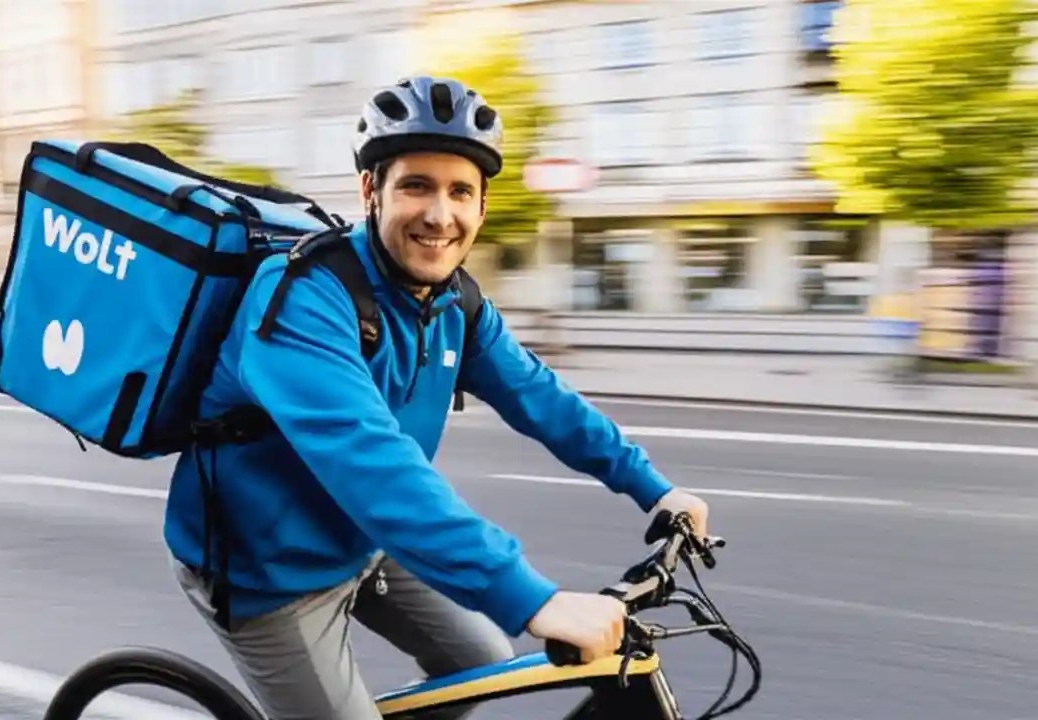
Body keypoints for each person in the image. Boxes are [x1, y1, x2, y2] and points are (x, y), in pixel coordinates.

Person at [162, 75, 711, 720]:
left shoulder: (455, 303)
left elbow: (542, 398)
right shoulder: (302, 298)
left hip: (365, 542)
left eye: (460, 192)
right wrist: (531, 598)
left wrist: (653, 487)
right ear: (372, 190)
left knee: (484, 667)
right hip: (267, 569)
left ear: (482, 206)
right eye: (416, 185)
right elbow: (371, 463)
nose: (439, 214)